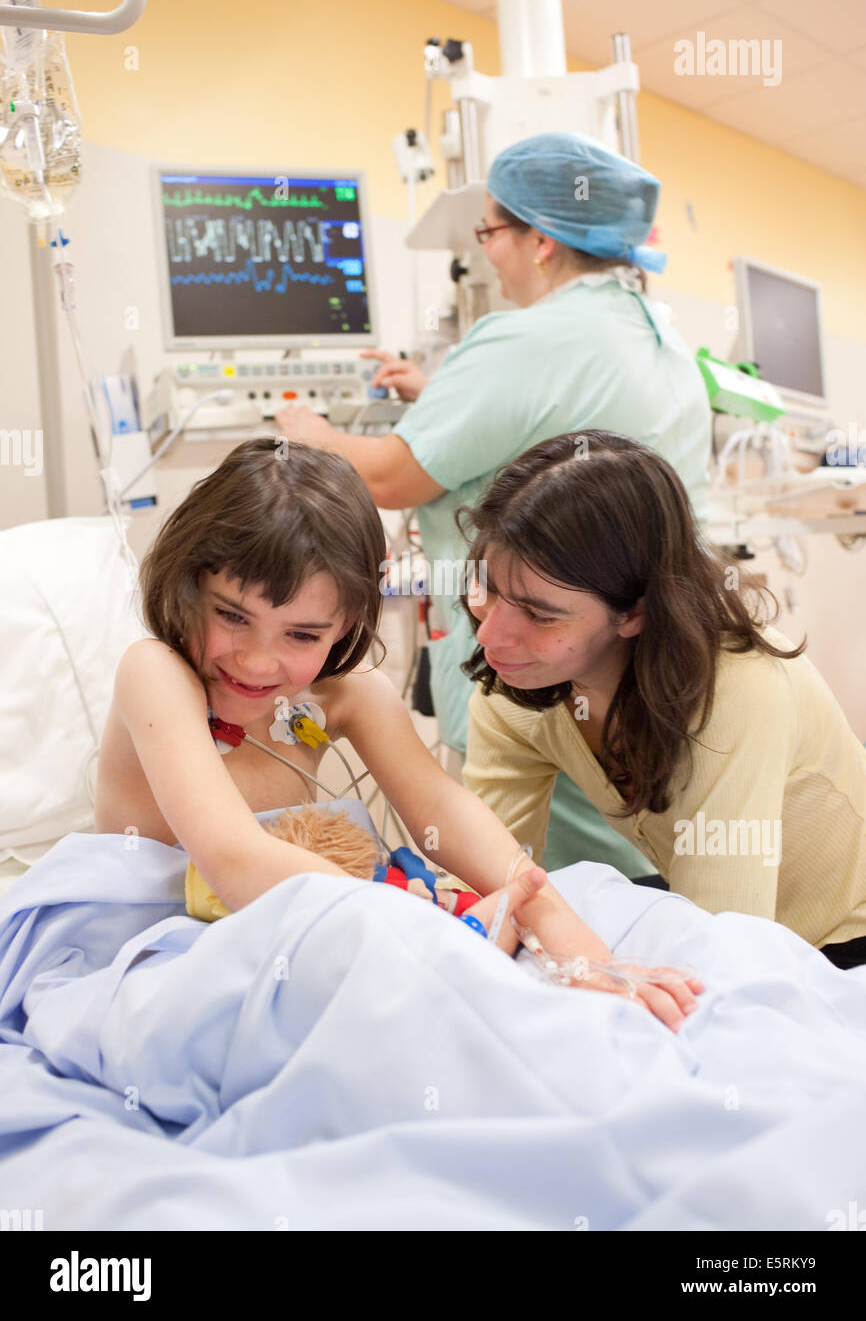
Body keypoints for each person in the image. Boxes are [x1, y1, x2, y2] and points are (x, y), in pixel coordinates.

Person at [93, 437, 703, 1030]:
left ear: (346, 624)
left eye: (302, 635)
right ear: (188, 582)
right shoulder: (157, 674)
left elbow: (443, 809)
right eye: (232, 616)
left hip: (312, 931)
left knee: (565, 955)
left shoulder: (349, 695)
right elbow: (232, 857)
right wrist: (422, 925)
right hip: (163, 949)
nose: (256, 661)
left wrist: (573, 942)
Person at [274, 131, 712, 878]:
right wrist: (436, 391)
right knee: (630, 855)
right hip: (640, 659)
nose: (489, 253)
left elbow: (388, 477)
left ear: (541, 241)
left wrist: (306, 429)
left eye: (492, 232)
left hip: (537, 665)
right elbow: (548, 418)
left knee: (544, 874)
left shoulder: (521, 339)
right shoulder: (660, 340)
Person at [461, 431, 866, 965]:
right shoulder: (521, 678)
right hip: (713, 914)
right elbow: (487, 878)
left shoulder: (737, 690)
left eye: (539, 614)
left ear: (635, 611)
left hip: (835, 942)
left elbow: (721, 953)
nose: (491, 636)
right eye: (488, 589)